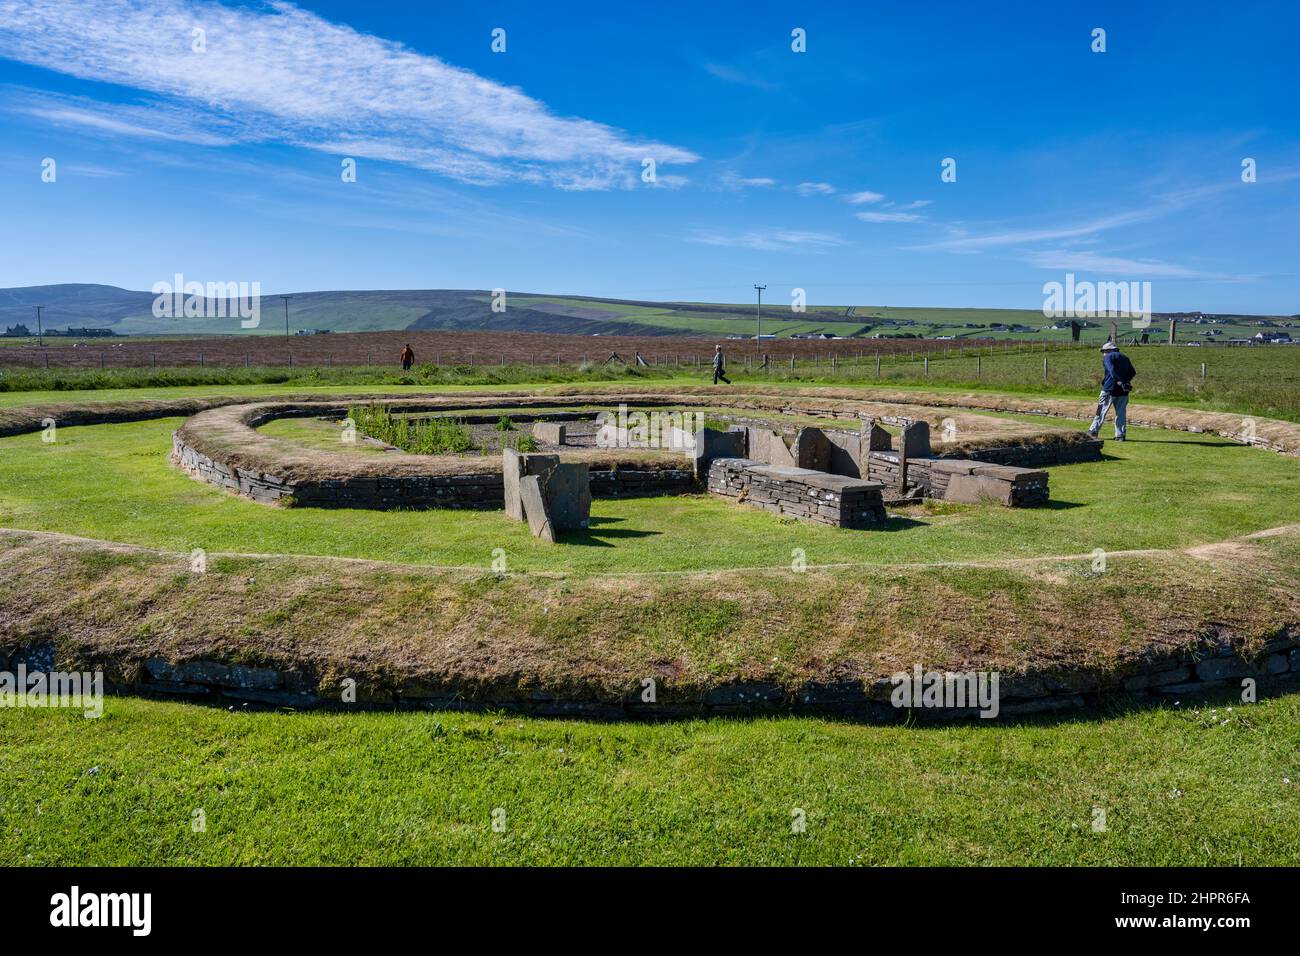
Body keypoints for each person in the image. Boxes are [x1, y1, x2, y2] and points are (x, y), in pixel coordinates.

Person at [1087, 340, 1136, 441]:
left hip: (1109, 389)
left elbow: (1112, 370)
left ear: (1109, 350)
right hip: (1123, 391)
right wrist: (1125, 382)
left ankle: (1093, 431)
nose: (1103, 353)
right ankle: (1120, 435)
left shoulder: (1108, 357)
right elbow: (1133, 372)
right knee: (1121, 414)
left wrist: (1119, 381)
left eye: (1103, 351)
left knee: (1100, 411)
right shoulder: (1125, 358)